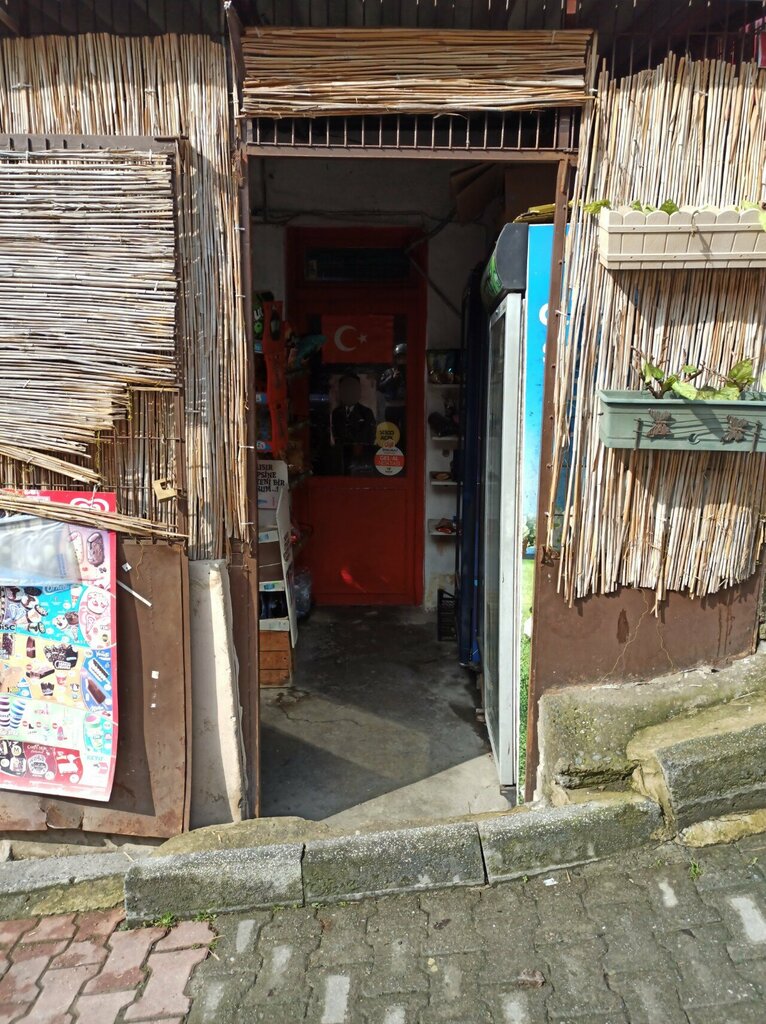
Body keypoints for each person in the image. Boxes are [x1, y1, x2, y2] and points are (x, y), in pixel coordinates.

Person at [331, 373, 377, 473]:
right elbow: (336, 434)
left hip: (363, 457)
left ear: (358, 391)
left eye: (353, 388)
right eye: (345, 389)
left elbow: (371, 436)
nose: (349, 392)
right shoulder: (336, 413)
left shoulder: (366, 412)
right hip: (342, 456)